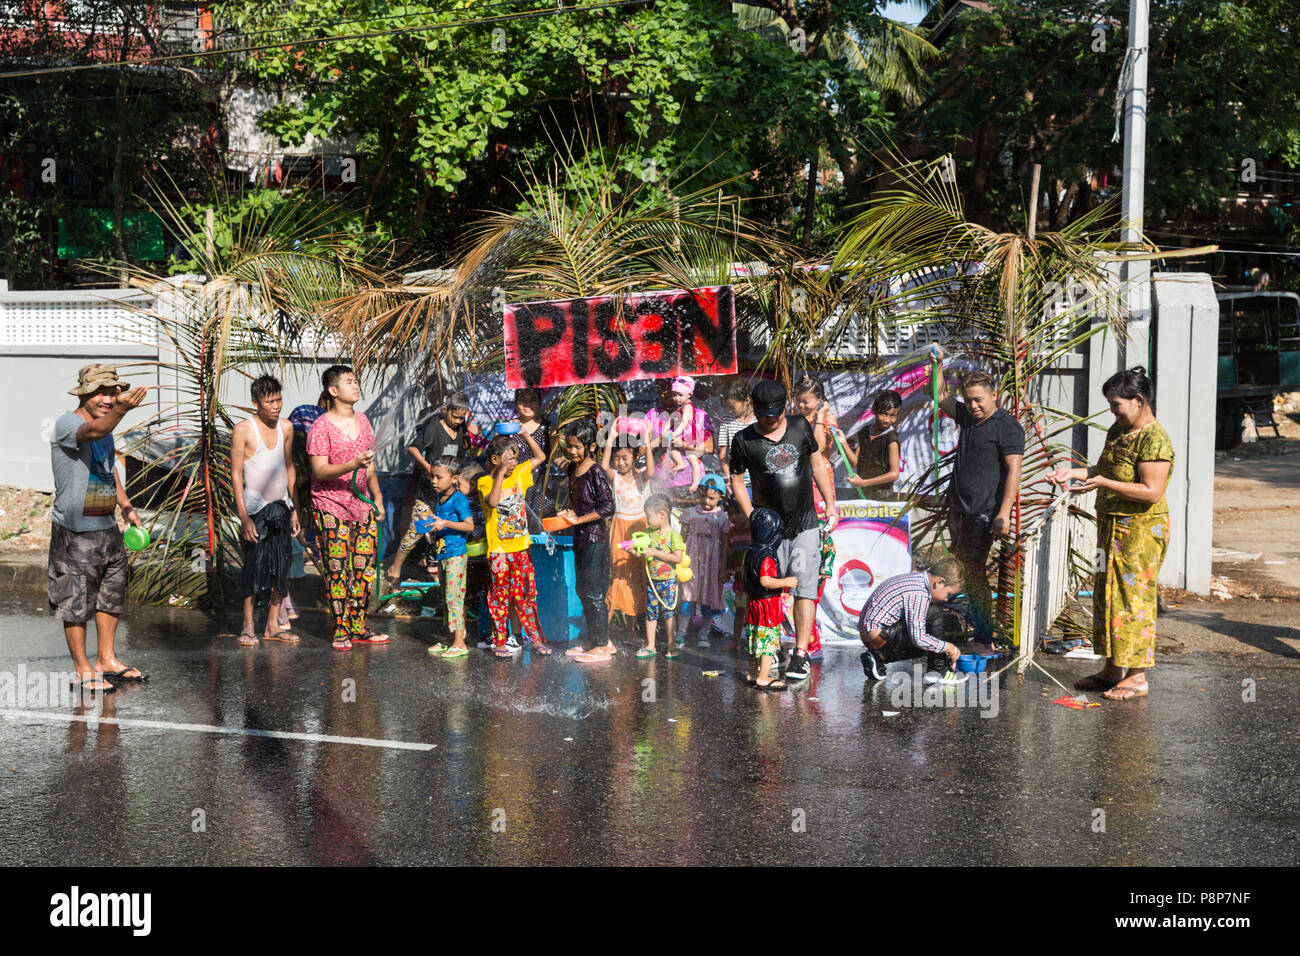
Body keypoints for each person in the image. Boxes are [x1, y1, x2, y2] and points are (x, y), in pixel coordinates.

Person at [1049, 367, 1174, 701]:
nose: (1112, 411)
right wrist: (1072, 473)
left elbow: (1150, 491)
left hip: (1140, 532)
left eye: (1116, 404)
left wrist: (1102, 483)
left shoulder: (1154, 438)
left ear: (1138, 400)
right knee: (1106, 593)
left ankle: (1137, 676)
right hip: (1111, 527)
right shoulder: (1118, 431)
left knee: (1131, 599)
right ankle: (1112, 668)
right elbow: (1102, 471)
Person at [48, 364, 149, 694]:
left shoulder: (107, 429)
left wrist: (127, 506)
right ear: (85, 393)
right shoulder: (68, 423)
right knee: (75, 601)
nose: (109, 398)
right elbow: (93, 433)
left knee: (110, 597)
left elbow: (110, 470)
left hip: (107, 528)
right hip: (75, 532)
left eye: (113, 392)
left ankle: (106, 659)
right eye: (101, 392)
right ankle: (82, 668)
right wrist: (120, 412)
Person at [728, 379, 838, 681]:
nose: (769, 419)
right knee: (767, 589)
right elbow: (737, 481)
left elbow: (816, 464)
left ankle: (801, 654)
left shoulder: (800, 426)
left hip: (804, 523)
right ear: (756, 409)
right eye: (764, 414)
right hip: (770, 532)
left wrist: (830, 504)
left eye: (775, 414)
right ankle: (770, 649)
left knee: (804, 589)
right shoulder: (743, 440)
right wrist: (753, 517)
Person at [933, 356, 1025, 644]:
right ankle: (972, 626)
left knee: (973, 572)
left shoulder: (1006, 426)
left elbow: (1013, 471)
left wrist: (1003, 513)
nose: (973, 406)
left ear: (994, 395)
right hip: (959, 509)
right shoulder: (968, 418)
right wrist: (937, 365)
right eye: (969, 400)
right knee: (961, 569)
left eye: (979, 400)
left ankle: (985, 634)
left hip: (984, 512)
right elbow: (940, 397)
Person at [307, 365, 389, 650]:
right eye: (349, 382)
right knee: (338, 569)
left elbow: (370, 466)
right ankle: (340, 629)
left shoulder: (364, 421)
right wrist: (351, 465)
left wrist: (377, 498)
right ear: (333, 391)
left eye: (356, 382)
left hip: (362, 505)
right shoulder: (321, 427)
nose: (356, 386)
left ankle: (358, 625)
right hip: (330, 505)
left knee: (364, 568)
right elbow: (319, 470)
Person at [231, 374, 300, 645]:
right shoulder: (244, 430)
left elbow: (290, 467)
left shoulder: (287, 427)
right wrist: (243, 516)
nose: (276, 405)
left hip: (281, 506)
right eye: (269, 401)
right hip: (255, 509)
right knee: (254, 567)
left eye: (279, 399)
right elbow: (236, 474)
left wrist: (296, 509)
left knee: (280, 568)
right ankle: (248, 625)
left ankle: (273, 625)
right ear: (255, 403)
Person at [388, 390, 478, 588]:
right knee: (416, 531)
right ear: (445, 410)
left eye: (461, 417)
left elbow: (466, 448)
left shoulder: (461, 428)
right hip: (429, 491)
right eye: (454, 416)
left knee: (446, 532)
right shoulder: (434, 428)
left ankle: (442, 573)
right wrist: (428, 467)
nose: (457, 420)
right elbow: (413, 447)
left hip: (450, 495)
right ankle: (395, 568)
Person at [479, 431, 550, 658]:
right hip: (499, 552)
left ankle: (536, 639)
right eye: (508, 459)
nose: (513, 464)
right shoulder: (484, 481)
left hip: (521, 549)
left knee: (526, 595)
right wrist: (500, 474)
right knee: (501, 597)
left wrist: (526, 436)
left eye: (515, 459)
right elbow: (492, 501)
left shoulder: (519, 473)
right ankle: (500, 642)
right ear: (494, 460)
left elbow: (540, 456)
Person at [557, 421, 616, 661]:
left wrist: (578, 519)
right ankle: (598, 639)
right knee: (583, 590)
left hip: (595, 540)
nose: (572, 452)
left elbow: (608, 506)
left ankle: (602, 645)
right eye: (569, 446)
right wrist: (567, 513)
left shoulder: (595, 472)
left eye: (578, 447)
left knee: (593, 593)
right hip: (581, 538)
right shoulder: (573, 470)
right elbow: (577, 503)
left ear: (591, 446)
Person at [792, 376, 839, 659]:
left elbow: (818, 449)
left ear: (818, 400)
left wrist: (820, 416)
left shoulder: (825, 421)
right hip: (797, 497)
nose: (800, 405)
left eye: (805, 401)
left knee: (816, 568)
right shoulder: (794, 421)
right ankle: (804, 635)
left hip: (819, 499)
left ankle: (810, 637)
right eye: (797, 399)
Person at [858, 560, 964, 681]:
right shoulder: (919, 593)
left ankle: (878, 658)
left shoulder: (915, 579)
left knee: (929, 629)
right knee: (934, 614)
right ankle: (938, 672)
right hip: (879, 637)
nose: (946, 599)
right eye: (948, 594)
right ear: (939, 582)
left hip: (871, 634)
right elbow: (918, 639)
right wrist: (949, 648)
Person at [601, 422, 655, 642]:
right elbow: (604, 466)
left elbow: (651, 470)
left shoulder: (641, 476)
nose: (620, 462)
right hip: (620, 529)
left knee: (638, 577)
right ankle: (601, 633)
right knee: (618, 577)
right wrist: (611, 437)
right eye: (617, 458)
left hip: (640, 530)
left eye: (625, 458)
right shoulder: (615, 478)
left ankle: (632, 631)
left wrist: (648, 442)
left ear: (633, 457)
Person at [424, 456, 475, 660]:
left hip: (456, 554)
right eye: (432, 477)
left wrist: (445, 524)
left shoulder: (459, 498)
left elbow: (469, 526)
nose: (433, 481)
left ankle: (459, 642)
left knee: (454, 597)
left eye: (439, 477)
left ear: (454, 478)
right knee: (446, 597)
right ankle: (449, 639)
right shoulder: (439, 498)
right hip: (443, 553)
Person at [744, 509, 796, 691]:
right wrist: (786, 582)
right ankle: (764, 677)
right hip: (766, 606)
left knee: (753, 641)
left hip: (754, 603)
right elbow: (765, 580)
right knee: (768, 643)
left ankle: (752, 673)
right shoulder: (766, 556)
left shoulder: (750, 552)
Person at [677, 474, 730, 647]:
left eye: (711, 498)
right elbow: (681, 538)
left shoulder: (722, 518)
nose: (706, 501)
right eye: (703, 496)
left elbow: (724, 545)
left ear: (721, 497)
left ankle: (704, 634)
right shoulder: (690, 513)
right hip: (692, 561)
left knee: (710, 597)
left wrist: (723, 567)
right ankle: (681, 632)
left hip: (712, 564)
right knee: (687, 595)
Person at [634, 493, 685, 659]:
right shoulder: (649, 533)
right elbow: (645, 554)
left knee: (669, 614)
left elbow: (677, 558)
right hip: (652, 581)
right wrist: (635, 552)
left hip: (668, 581)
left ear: (662, 515)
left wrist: (655, 552)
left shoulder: (673, 536)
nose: (647, 521)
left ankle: (671, 644)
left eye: (649, 517)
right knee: (651, 614)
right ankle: (650, 645)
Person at [648, 376, 712, 500]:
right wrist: (663, 437)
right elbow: (645, 448)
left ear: (689, 394)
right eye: (674, 394)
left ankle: (695, 481)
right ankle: (680, 463)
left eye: (679, 394)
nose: (668, 394)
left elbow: (709, 447)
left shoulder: (694, 411)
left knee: (692, 458)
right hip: (663, 483)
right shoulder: (653, 414)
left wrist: (679, 440)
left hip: (687, 481)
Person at [843, 389, 904, 499]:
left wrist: (863, 483)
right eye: (883, 414)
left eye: (892, 415)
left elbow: (894, 474)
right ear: (874, 410)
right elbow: (856, 463)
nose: (887, 419)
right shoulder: (865, 431)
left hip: (882, 498)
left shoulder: (891, 439)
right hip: (861, 494)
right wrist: (843, 442)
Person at [716, 377, 756, 482]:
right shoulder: (726, 421)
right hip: (737, 480)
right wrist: (729, 478)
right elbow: (723, 454)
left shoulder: (759, 420)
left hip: (758, 480)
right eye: (727, 407)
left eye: (732, 407)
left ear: (747, 400)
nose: (729, 410)